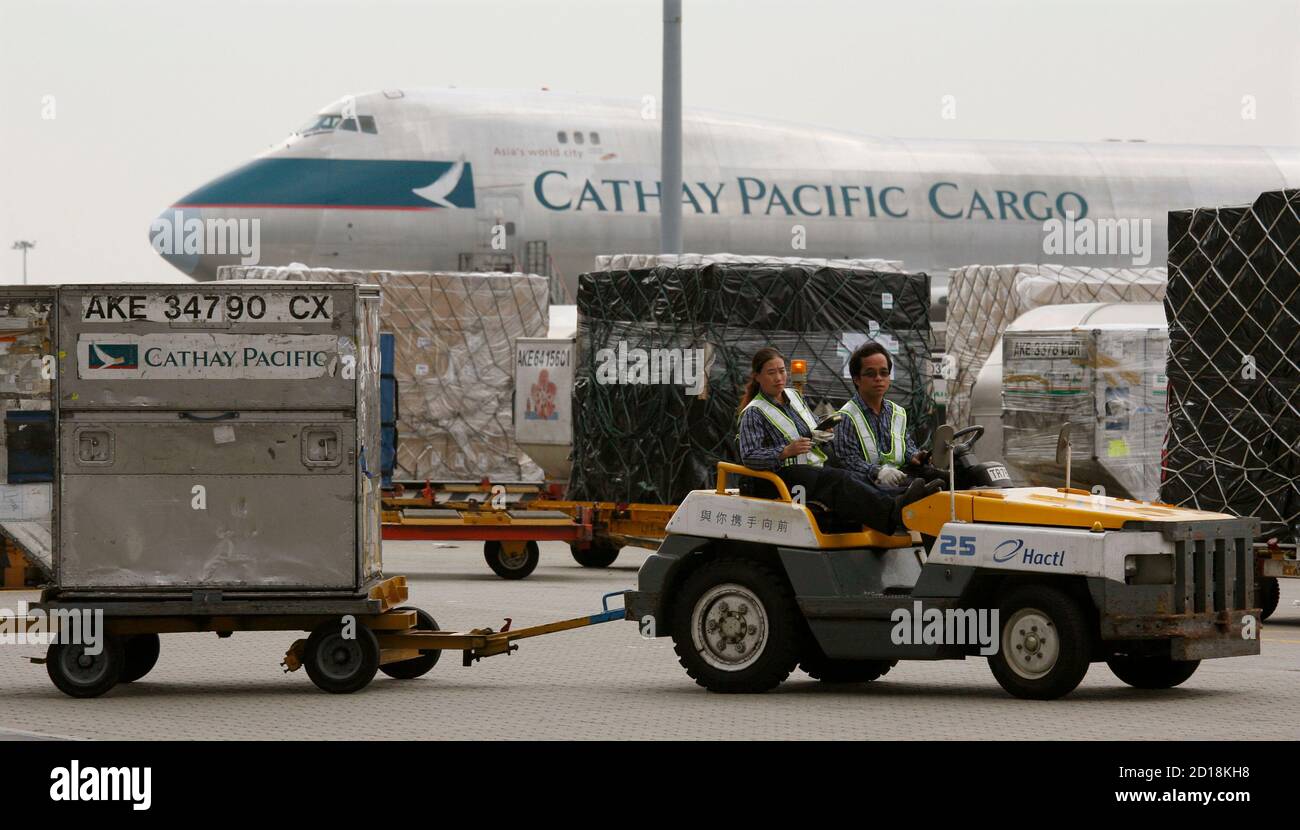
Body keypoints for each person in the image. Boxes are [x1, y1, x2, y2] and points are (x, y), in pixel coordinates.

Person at [736, 347, 939, 536]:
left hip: (808, 468)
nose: (779, 377)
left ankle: (907, 498)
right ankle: (893, 514)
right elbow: (750, 456)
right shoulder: (754, 412)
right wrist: (784, 451)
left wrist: (820, 432)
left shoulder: (793, 396)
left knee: (849, 477)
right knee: (839, 481)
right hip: (783, 476)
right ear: (757, 376)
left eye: (782, 371)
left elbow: (808, 425)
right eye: (771, 373)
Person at [833, 341, 942, 490]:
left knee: (956, 475)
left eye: (884, 373)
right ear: (856, 379)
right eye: (871, 374)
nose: (879, 378)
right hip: (869, 486)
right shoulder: (846, 416)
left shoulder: (897, 412)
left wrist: (915, 456)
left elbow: (905, 447)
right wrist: (877, 471)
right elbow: (847, 460)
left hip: (902, 478)